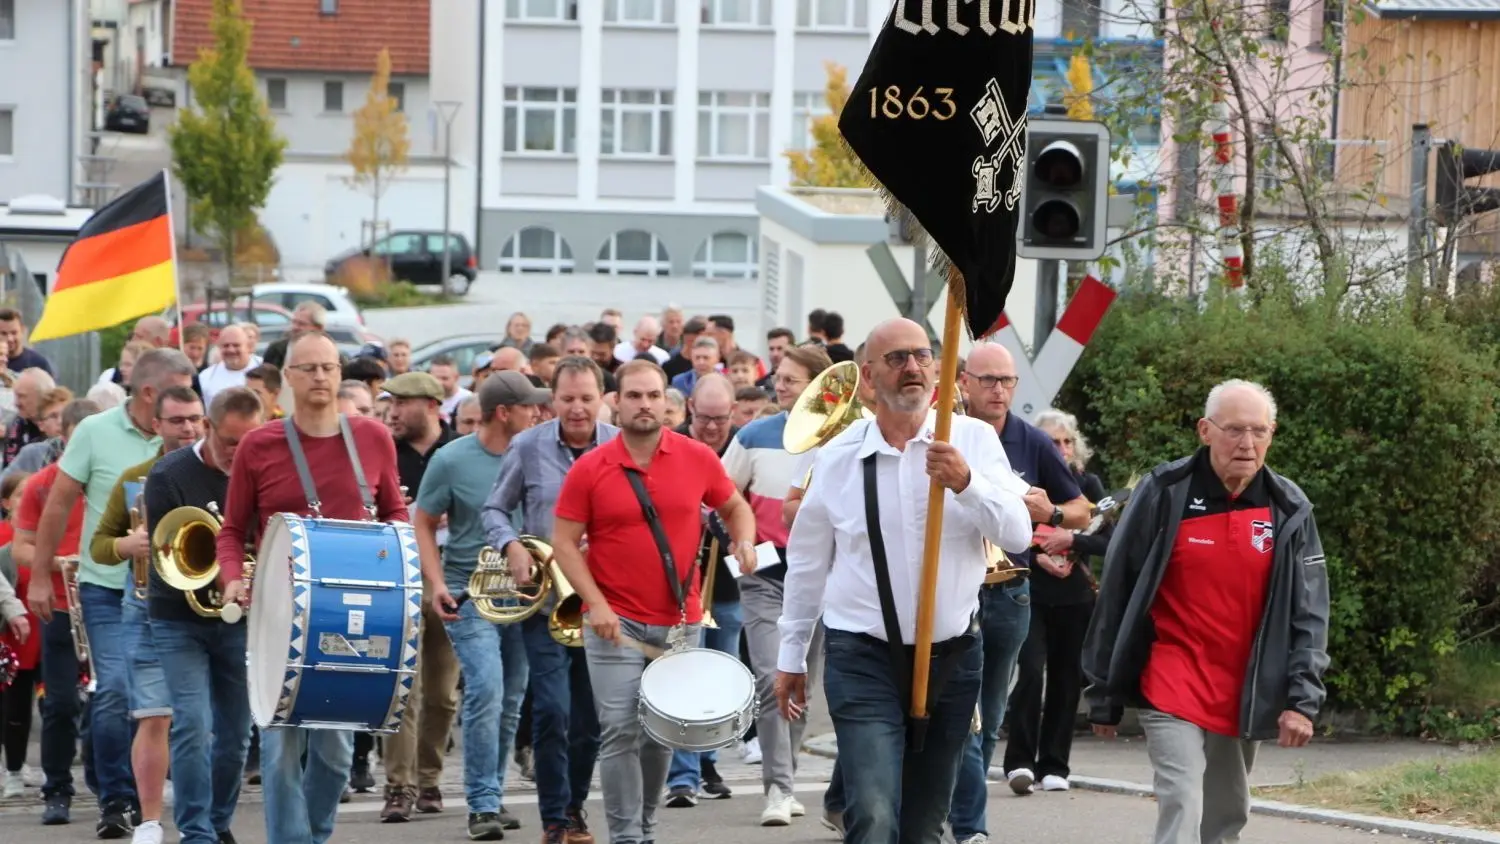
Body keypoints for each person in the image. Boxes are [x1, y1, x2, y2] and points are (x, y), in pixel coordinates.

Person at [776, 318, 1032, 844]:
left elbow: (1019, 533)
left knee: (922, 825)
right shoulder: (839, 456)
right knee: (871, 812)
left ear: (936, 368)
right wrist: (791, 656)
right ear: (868, 377)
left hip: (955, 657)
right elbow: (807, 561)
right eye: (897, 359)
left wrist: (966, 483)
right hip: (861, 655)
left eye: (921, 356)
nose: (912, 367)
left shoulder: (973, 441)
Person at [1083, 379, 1330, 844]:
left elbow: (1310, 612)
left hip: (1245, 687)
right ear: (1205, 430)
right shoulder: (1165, 490)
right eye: (1235, 429)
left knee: (1226, 814)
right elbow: (1118, 588)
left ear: (1272, 434)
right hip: (1172, 677)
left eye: (1259, 431)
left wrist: (1302, 698)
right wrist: (1103, 690)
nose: (1247, 443)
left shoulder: (1288, 507)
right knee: (1182, 798)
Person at [551, 359, 757, 844]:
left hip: (680, 622)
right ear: (616, 403)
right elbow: (563, 542)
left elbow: (735, 507)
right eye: (634, 396)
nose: (645, 404)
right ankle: (627, 836)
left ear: (668, 403)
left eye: (653, 396)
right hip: (614, 623)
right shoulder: (591, 467)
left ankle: (644, 827)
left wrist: (743, 540)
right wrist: (595, 604)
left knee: (664, 732)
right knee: (621, 729)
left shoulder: (697, 457)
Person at [215, 330, 407, 844]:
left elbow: (394, 514)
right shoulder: (259, 445)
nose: (321, 376)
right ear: (288, 381)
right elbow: (232, 530)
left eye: (328, 366)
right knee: (278, 752)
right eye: (309, 368)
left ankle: (315, 836)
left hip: (352, 615)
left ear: (340, 374)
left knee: (335, 752)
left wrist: (405, 578)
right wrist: (233, 579)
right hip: (277, 615)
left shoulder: (373, 438)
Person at [27, 349, 197, 837]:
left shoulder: (189, 434)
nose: (190, 408)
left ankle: (184, 802)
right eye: (180, 389)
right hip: (106, 588)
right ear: (150, 394)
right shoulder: (94, 432)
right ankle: (117, 800)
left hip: (176, 589)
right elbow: (57, 505)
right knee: (116, 690)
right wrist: (41, 576)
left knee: (171, 703)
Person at [946, 343, 1093, 843]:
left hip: (1009, 589)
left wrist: (1048, 514)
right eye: (988, 380)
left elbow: (1081, 510)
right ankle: (946, 810)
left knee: (986, 714)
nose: (999, 390)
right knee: (948, 708)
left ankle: (968, 821)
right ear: (965, 381)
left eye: (1007, 381)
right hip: (950, 587)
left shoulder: (1032, 440)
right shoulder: (947, 432)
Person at [482, 356, 615, 844]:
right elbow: (494, 508)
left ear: (602, 398)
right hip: (544, 604)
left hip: (602, 602)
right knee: (553, 711)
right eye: (567, 399)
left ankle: (575, 807)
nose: (577, 409)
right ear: (551, 400)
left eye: (586, 398)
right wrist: (512, 546)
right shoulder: (528, 445)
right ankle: (555, 820)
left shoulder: (621, 448)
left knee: (589, 718)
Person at [425, 371, 552, 839]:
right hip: (469, 592)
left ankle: (493, 796)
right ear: (504, 413)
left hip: (527, 595)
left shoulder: (540, 452)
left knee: (512, 700)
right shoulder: (452, 459)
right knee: (488, 690)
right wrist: (435, 581)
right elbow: (422, 521)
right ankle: (480, 804)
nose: (538, 413)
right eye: (529, 406)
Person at [87, 385, 206, 844]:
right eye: (177, 420)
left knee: (204, 722)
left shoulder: (219, 471)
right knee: (153, 715)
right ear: (156, 425)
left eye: (195, 419)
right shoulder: (135, 476)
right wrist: (125, 545)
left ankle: (208, 819)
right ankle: (151, 821)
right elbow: (99, 544)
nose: (189, 428)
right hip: (147, 605)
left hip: (204, 607)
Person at [143, 387, 262, 844]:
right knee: (193, 724)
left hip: (239, 618)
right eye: (232, 442)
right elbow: (167, 553)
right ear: (208, 427)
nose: (240, 453)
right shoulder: (169, 474)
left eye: (249, 442)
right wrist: (223, 574)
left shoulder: (261, 468)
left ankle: (217, 820)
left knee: (236, 735)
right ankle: (196, 833)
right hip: (178, 616)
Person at [722, 342, 832, 826]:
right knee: (771, 678)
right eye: (779, 378)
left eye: (789, 379)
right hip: (764, 575)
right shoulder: (753, 435)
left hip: (823, 579)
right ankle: (778, 788)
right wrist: (734, 539)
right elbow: (720, 500)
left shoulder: (843, 437)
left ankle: (785, 778)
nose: (778, 386)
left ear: (817, 385)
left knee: (800, 682)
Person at [1005, 410, 1110, 798]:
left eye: (1067, 441)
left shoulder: (1088, 485)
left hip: (1075, 597)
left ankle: (1055, 764)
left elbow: (1112, 540)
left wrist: (1074, 542)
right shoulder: (1024, 484)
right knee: (1030, 673)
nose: (1062, 448)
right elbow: (1001, 535)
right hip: (1029, 593)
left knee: (1067, 680)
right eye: (1053, 442)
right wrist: (1037, 555)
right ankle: (1019, 761)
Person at [12, 398, 101, 824]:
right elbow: (21, 547)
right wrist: (58, 564)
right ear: (64, 436)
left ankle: (111, 788)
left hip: (107, 601)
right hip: (63, 605)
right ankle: (58, 788)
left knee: (111, 701)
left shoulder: (109, 481)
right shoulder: (42, 484)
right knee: (61, 702)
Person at [380, 370, 460, 821]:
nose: (393, 411)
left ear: (432, 406)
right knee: (400, 687)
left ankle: (430, 780)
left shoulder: (459, 451)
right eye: (390, 402)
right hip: (401, 573)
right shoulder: (384, 453)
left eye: (403, 403)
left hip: (450, 574)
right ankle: (399, 786)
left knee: (444, 694)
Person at [664, 374, 742, 806]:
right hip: (679, 586)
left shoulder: (741, 447)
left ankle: (706, 759)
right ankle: (683, 775)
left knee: (719, 680)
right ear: (690, 407)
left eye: (722, 419)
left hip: (727, 585)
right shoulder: (671, 446)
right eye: (705, 418)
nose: (713, 428)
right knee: (686, 678)